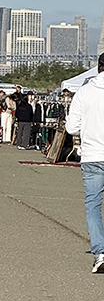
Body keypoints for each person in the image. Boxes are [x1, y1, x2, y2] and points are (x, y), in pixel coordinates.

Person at [65, 53, 104, 273]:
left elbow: (71, 128)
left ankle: (100, 253)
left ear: (98, 67)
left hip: (92, 155)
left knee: (94, 205)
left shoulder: (84, 92)